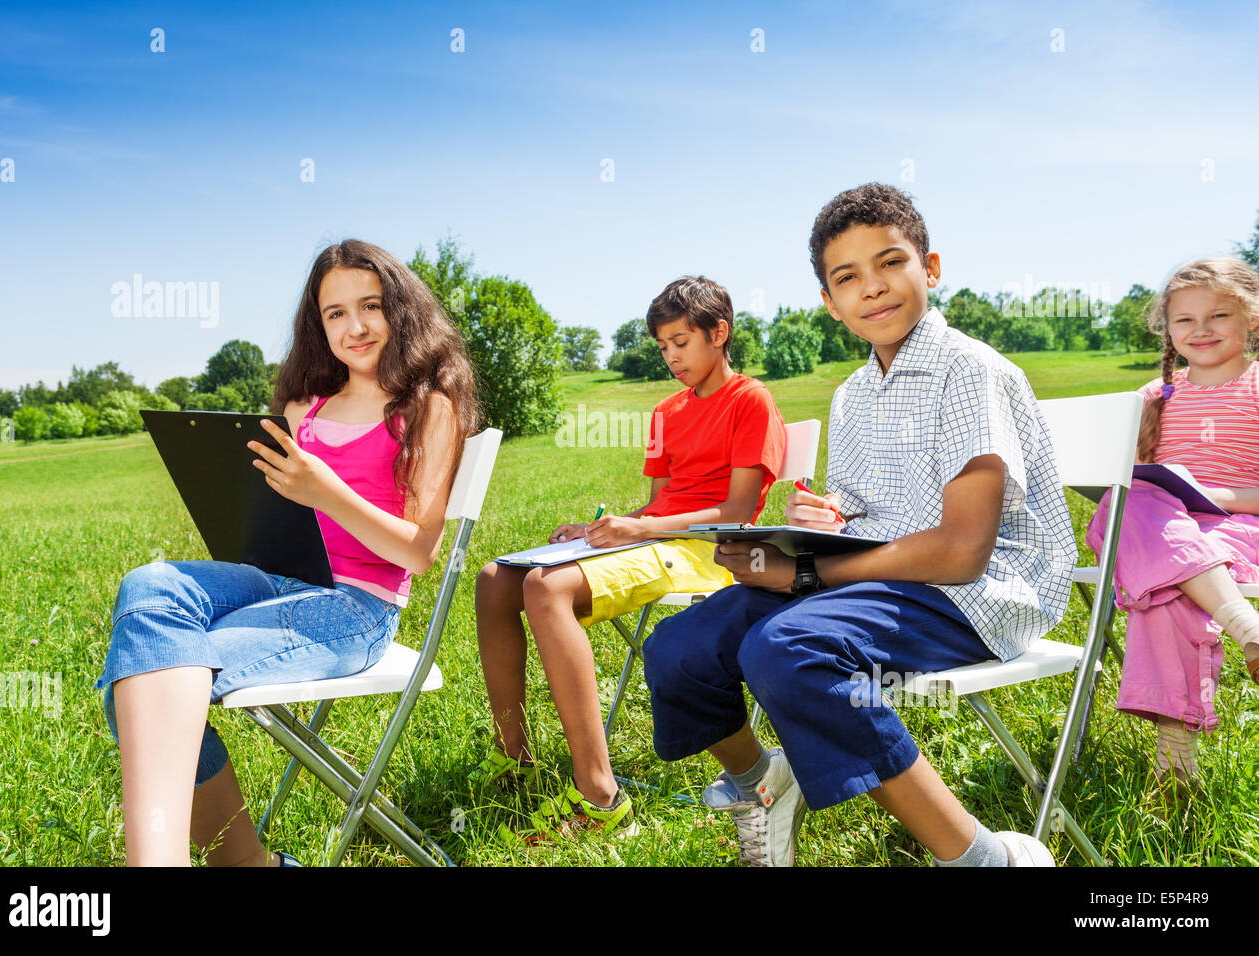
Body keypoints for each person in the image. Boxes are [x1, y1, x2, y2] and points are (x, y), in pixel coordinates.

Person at [643, 182, 1076, 866]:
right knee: (680, 646)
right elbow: (857, 513)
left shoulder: (967, 370)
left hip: (978, 593)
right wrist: (814, 524)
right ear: (830, 302)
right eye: (848, 277)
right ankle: (764, 783)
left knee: (786, 648)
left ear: (929, 269)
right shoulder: (851, 394)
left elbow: (963, 552)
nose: (872, 288)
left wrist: (809, 571)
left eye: (891, 263)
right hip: (882, 576)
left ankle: (983, 857)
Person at [95, 239, 478, 866]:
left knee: (138, 680)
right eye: (335, 314)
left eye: (371, 306)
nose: (354, 327)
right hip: (280, 579)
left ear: (401, 310)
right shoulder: (306, 408)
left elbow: (417, 552)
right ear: (317, 325)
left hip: (357, 609)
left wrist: (323, 491)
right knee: (149, 585)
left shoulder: (426, 408)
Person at [471, 276, 786, 839]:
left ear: (720, 333)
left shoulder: (751, 401)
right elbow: (660, 502)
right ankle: (513, 758)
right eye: (662, 346)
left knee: (545, 588)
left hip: (710, 552)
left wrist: (640, 527)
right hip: (657, 538)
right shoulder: (666, 412)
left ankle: (600, 795)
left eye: (681, 342)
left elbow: (738, 511)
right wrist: (603, 529)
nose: (670, 357)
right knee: (495, 579)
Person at [1085, 258, 1259, 800]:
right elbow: (1118, 474)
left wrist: (1218, 497)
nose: (1200, 330)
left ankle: (1175, 769)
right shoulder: (1154, 395)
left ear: (1252, 317)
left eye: (1218, 315)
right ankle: (1246, 626)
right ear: (1168, 328)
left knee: (1166, 588)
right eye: (1184, 320)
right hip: (1159, 528)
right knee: (1128, 496)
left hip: (1239, 526)